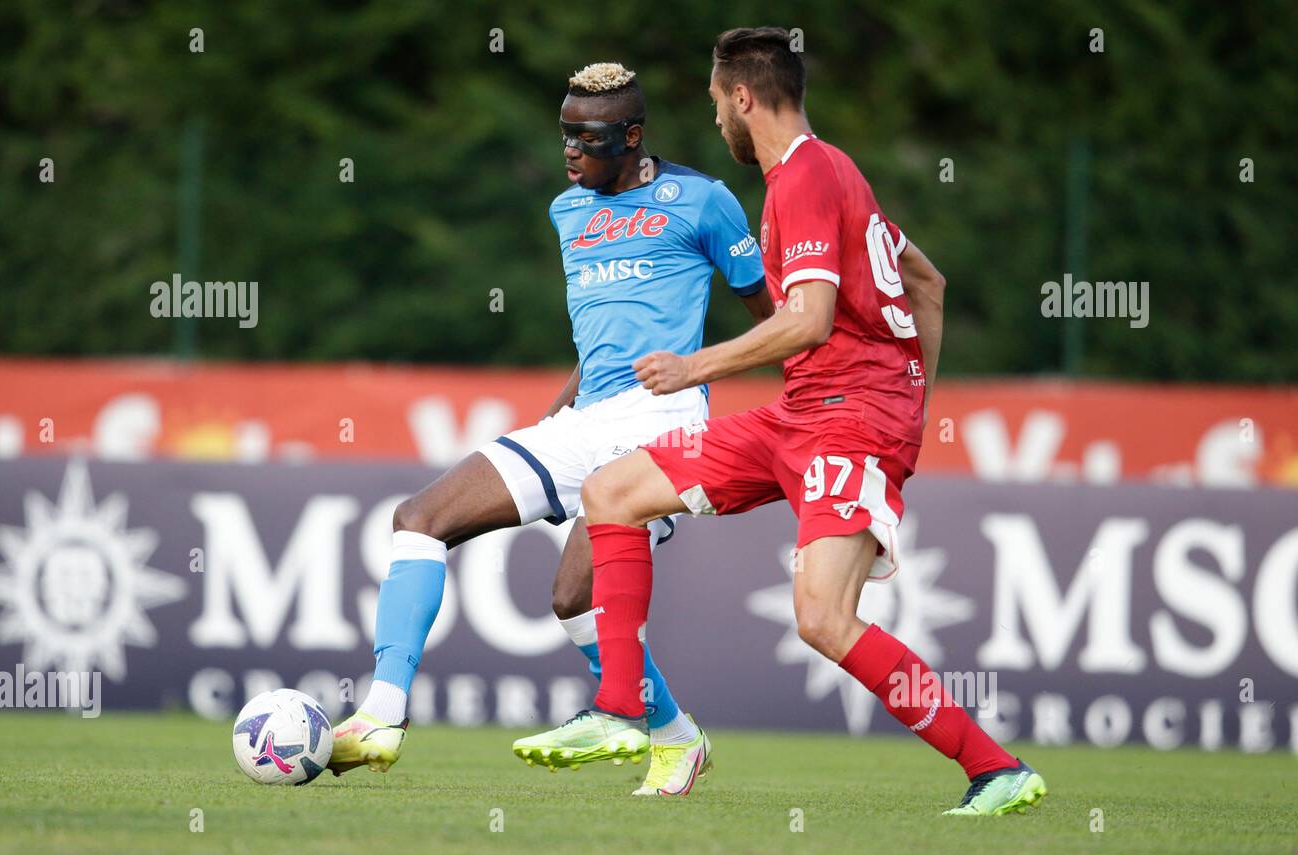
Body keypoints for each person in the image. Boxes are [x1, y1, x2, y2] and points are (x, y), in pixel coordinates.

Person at [527, 29, 1048, 813]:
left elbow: (806, 320)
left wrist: (695, 368)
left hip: (847, 422)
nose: (714, 124)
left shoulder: (801, 179)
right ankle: (622, 708)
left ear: (741, 98)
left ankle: (996, 768)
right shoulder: (836, 171)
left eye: (714, 104)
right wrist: (914, 405)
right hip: (805, 412)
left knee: (823, 620)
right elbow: (927, 283)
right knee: (612, 493)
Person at [329, 62, 774, 797]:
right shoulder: (569, 210)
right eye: (564, 133)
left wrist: (706, 373)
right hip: (586, 415)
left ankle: (664, 732)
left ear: (631, 136)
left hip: (663, 423)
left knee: (573, 599)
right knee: (419, 519)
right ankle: (382, 715)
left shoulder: (703, 202)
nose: (571, 150)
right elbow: (603, 335)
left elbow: (776, 322)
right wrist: (562, 405)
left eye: (588, 136)